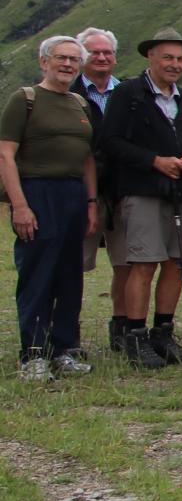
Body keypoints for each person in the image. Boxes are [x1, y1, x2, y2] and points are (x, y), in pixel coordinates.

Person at [98, 27, 182, 369]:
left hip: (181, 192)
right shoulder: (128, 94)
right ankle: (135, 335)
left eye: (180, 59)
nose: (175, 65)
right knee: (143, 263)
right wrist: (154, 161)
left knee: (177, 263)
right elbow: (110, 141)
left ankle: (163, 333)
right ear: (151, 56)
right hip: (142, 190)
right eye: (168, 58)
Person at [1, 36, 97, 380]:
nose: (67, 64)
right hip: (38, 191)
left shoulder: (79, 103)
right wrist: (19, 205)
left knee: (70, 275)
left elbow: (87, 158)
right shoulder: (25, 99)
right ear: (44, 61)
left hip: (74, 193)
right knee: (38, 274)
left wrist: (91, 202)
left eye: (74, 59)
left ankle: (63, 350)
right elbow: (5, 154)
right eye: (61, 58)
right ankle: (33, 354)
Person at [76, 27, 129, 352]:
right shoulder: (68, 93)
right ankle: (68, 331)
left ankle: (121, 327)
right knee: (75, 263)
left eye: (107, 52)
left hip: (122, 191)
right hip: (81, 191)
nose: (102, 57)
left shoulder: (127, 93)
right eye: (94, 52)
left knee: (125, 262)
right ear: (82, 57)